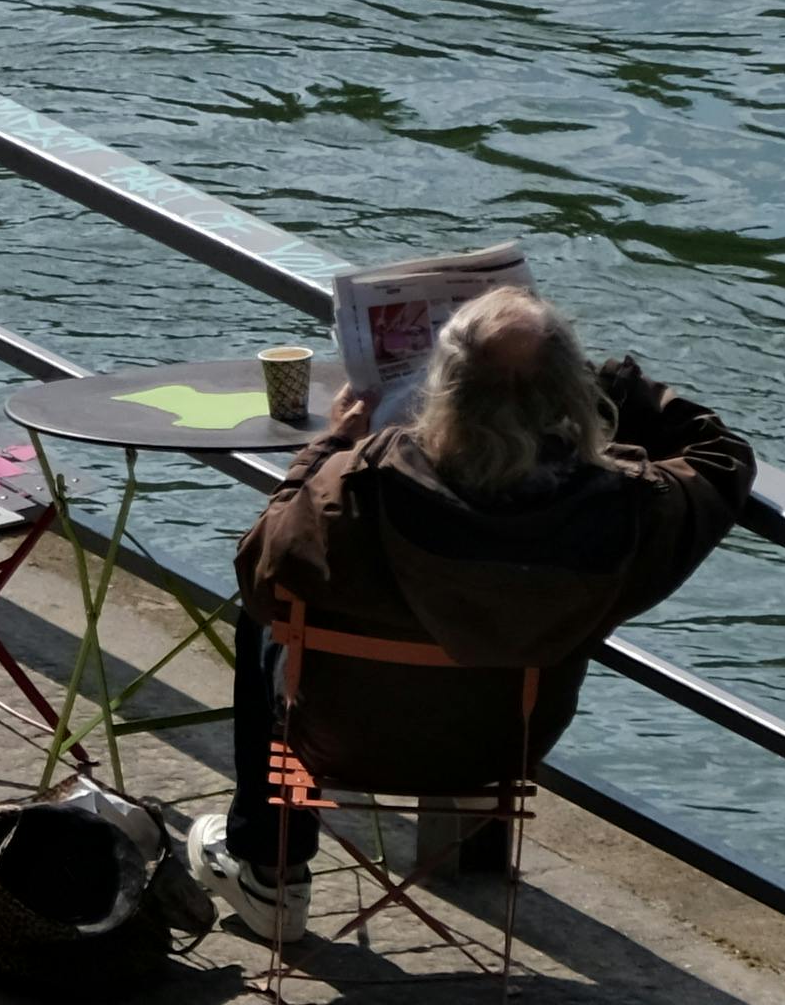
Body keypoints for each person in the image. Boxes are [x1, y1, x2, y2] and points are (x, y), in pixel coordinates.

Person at [188, 286, 751, 951]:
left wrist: (330, 443)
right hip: (502, 747)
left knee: (273, 614)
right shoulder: (626, 508)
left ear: (443, 389)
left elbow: (258, 563)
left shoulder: (356, 484)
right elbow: (722, 457)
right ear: (569, 394)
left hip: (337, 741)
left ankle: (271, 870)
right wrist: (618, 386)